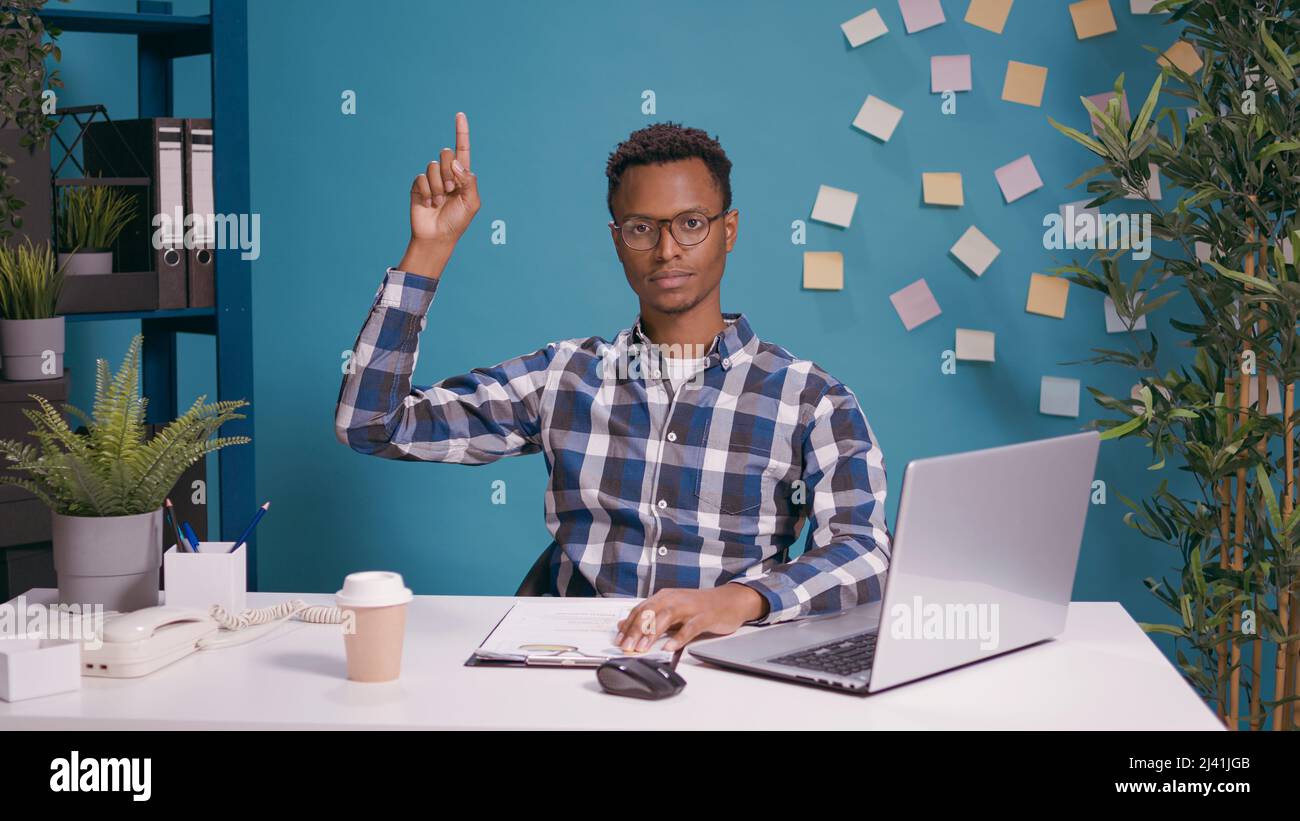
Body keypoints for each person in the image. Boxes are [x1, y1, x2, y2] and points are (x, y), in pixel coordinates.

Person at [335, 113, 891, 654]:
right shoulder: (563, 378)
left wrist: (739, 599)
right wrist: (429, 251)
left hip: (725, 664)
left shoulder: (811, 399)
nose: (667, 249)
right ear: (617, 239)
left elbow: (864, 552)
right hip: (567, 663)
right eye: (642, 228)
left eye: (692, 223)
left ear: (729, 230)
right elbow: (372, 425)